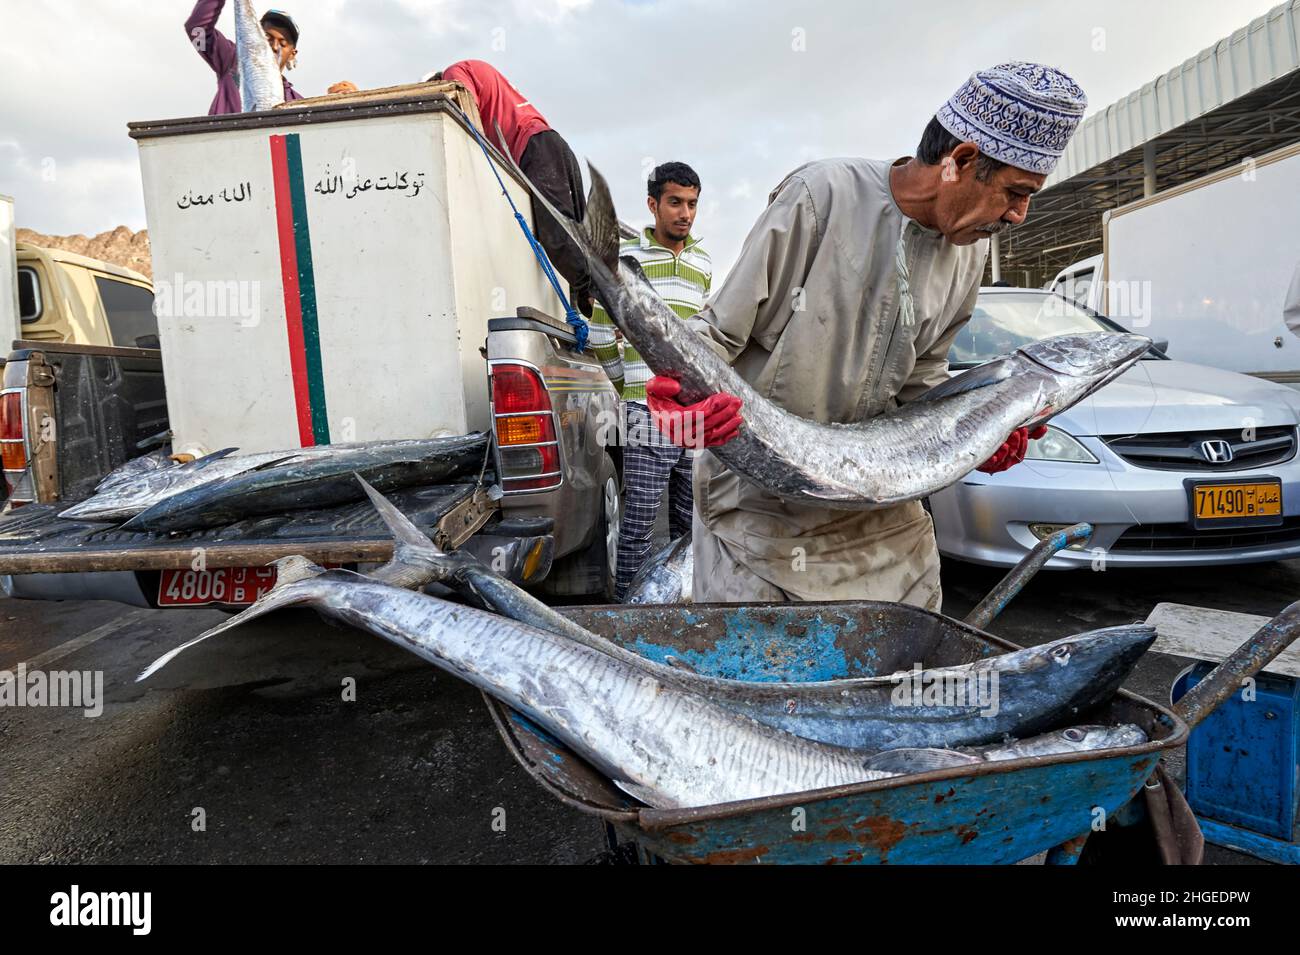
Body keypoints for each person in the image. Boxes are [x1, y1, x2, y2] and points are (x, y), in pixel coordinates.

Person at [644, 62, 1088, 609]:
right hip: (763, 518)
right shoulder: (820, 196)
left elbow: (922, 384)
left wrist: (975, 435)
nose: (1020, 215)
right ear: (963, 161)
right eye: (1015, 192)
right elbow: (714, 335)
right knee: (765, 683)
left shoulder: (969, 253)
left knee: (906, 675)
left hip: (884, 523)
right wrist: (677, 398)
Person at [589, 163, 712, 599]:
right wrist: (627, 388)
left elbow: (706, 336)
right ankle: (628, 611)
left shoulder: (703, 264)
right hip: (646, 411)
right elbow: (603, 333)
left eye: (692, 203)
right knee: (639, 520)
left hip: (695, 415)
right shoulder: (628, 261)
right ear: (652, 204)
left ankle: (685, 608)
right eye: (675, 202)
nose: (685, 213)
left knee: (693, 524)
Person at [435, 60, 593, 316]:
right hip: (553, 144)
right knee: (579, 235)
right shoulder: (481, 73)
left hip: (534, 146)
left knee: (554, 229)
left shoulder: (455, 73)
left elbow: (465, 116)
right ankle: (588, 302)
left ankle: (594, 293)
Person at [185, 2, 355, 115]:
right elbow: (196, 30)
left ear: (292, 54)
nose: (274, 47)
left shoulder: (298, 102)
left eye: (283, 43)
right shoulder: (231, 60)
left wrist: (344, 101)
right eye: (267, 38)